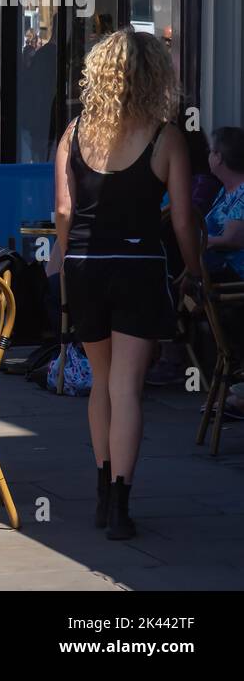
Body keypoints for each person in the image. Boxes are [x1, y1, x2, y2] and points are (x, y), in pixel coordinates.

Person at [54, 29, 201, 541]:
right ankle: (120, 502)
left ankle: (100, 488)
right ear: (153, 75)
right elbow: (182, 220)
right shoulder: (166, 137)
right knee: (127, 389)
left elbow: (64, 210)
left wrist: (62, 261)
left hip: (86, 265)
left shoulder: (74, 133)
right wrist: (194, 269)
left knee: (100, 382)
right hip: (139, 265)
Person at [204, 126, 244, 283]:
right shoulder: (225, 191)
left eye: (210, 151)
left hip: (233, 280)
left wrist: (194, 241)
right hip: (216, 274)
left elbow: (233, 240)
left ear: (219, 157)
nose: (207, 155)